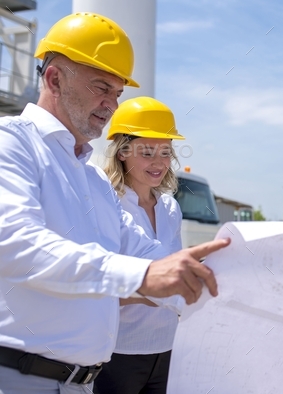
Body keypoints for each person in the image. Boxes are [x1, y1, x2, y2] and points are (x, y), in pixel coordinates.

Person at [0, 13, 228, 393]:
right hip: (19, 379)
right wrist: (140, 277)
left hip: (79, 384)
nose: (111, 104)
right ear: (54, 79)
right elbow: (15, 245)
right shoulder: (12, 144)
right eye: (101, 87)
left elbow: (145, 254)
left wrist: (227, 280)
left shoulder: (91, 178)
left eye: (118, 93)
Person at [93, 97, 186, 393]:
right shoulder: (106, 203)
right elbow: (97, 284)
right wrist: (157, 291)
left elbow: (176, 272)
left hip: (169, 349)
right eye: (147, 152)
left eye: (165, 152)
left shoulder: (171, 209)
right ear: (122, 152)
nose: (158, 162)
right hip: (118, 353)